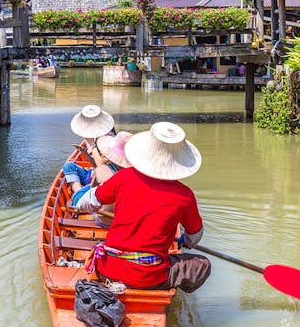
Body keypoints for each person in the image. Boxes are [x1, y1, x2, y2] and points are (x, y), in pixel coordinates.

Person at [77, 122, 211, 293]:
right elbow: (194, 237)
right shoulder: (185, 195)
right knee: (202, 264)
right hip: (148, 278)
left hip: (107, 271)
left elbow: (86, 202)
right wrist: (184, 240)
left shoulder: (124, 177)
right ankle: (168, 288)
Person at [68, 131, 132, 227]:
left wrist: (92, 146)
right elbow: (99, 168)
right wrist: (87, 155)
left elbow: (101, 170)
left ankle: (80, 189)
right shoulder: (140, 175)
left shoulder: (109, 175)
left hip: (107, 220)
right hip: (126, 218)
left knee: (76, 198)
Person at [62, 104, 116, 204]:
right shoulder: (91, 138)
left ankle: (81, 196)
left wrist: (92, 145)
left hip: (105, 180)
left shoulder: (108, 140)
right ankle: (79, 193)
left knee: (76, 198)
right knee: (68, 165)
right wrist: (85, 154)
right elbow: (96, 165)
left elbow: (102, 168)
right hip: (93, 174)